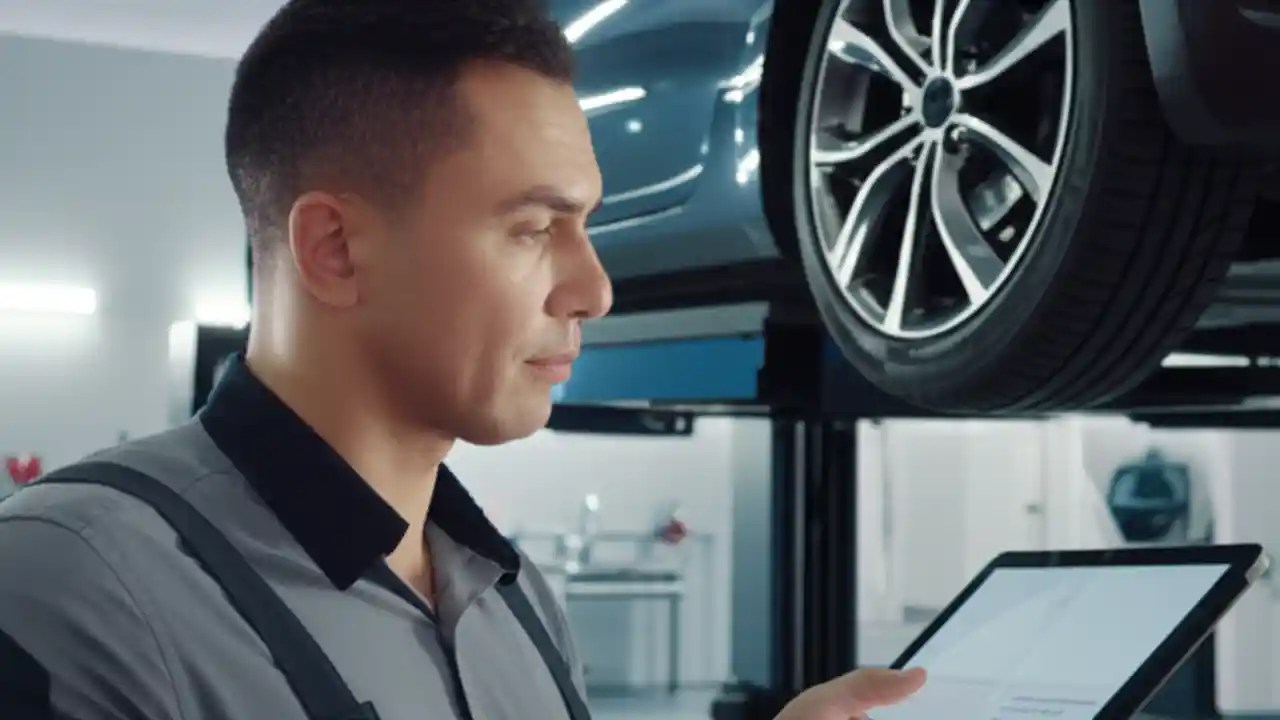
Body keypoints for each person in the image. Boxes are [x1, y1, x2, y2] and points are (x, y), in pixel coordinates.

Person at [0, 1, 925, 718]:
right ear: (335, 250)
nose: (594, 290)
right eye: (533, 228)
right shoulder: (74, 588)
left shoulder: (515, 606)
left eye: (586, 225)